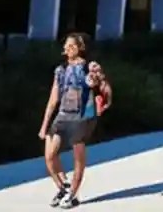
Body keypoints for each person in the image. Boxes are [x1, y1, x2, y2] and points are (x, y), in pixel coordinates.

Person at [39, 32, 112, 209]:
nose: (67, 49)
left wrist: (105, 98)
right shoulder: (61, 70)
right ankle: (64, 187)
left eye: (71, 46)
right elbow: (53, 99)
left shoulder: (90, 67)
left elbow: (104, 87)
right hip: (63, 115)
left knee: (77, 158)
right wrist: (44, 125)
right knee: (50, 156)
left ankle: (73, 193)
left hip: (82, 117)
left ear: (80, 48)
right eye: (66, 46)